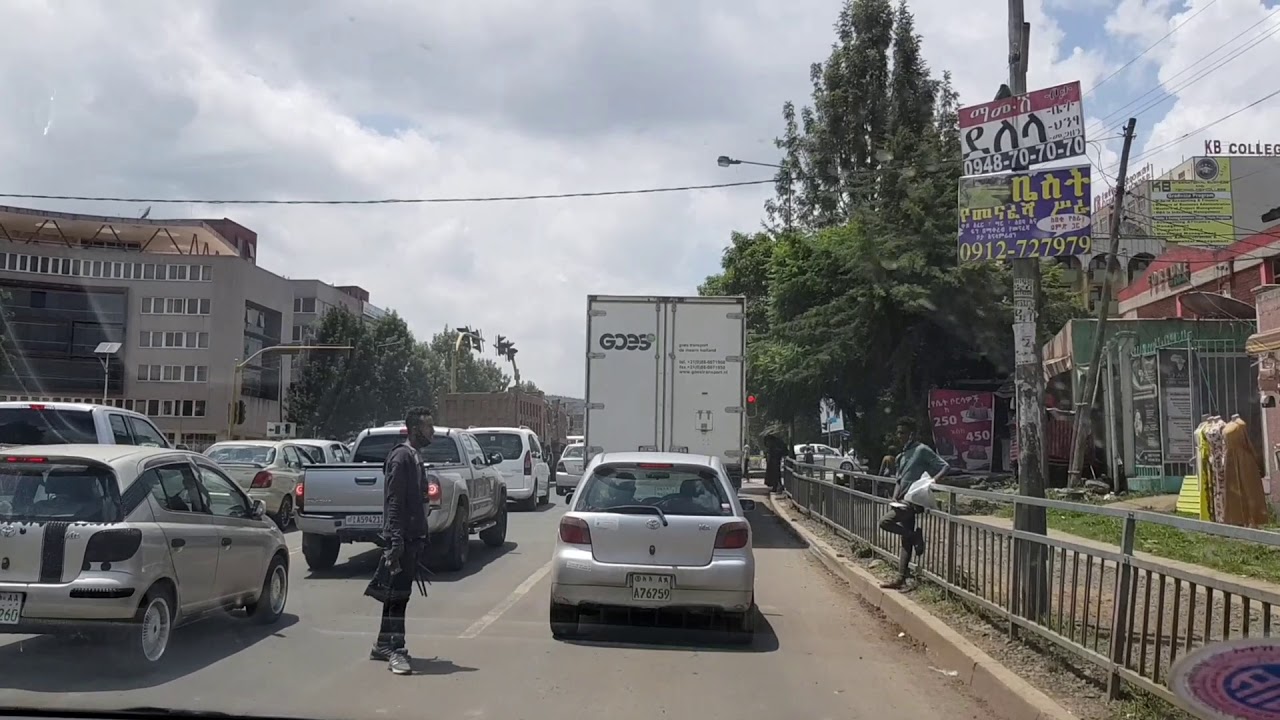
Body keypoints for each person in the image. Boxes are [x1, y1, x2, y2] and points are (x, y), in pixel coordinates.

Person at [366, 406, 434, 675]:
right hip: (401, 539)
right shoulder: (401, 458)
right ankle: (396, 649)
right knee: (398, 596)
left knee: (397, 595)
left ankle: (383, 644)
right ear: (415, 429)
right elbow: (394, 502)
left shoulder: (414, 457)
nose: (432, 432)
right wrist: (396, 541)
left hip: (412, 538)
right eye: (428, 427)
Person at [878, 417, 948, 591]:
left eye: (903, 432)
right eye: (898, 432)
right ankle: (901, 578)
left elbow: (944, 466)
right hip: (902, 501)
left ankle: (915, 536)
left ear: (911, 434)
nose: (899, 435)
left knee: (884, 522)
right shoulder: (902, 455)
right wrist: (894, 497)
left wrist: (931, 482)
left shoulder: (922, 450)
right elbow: (899, 480)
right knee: (905, 542)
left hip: (914, 500)